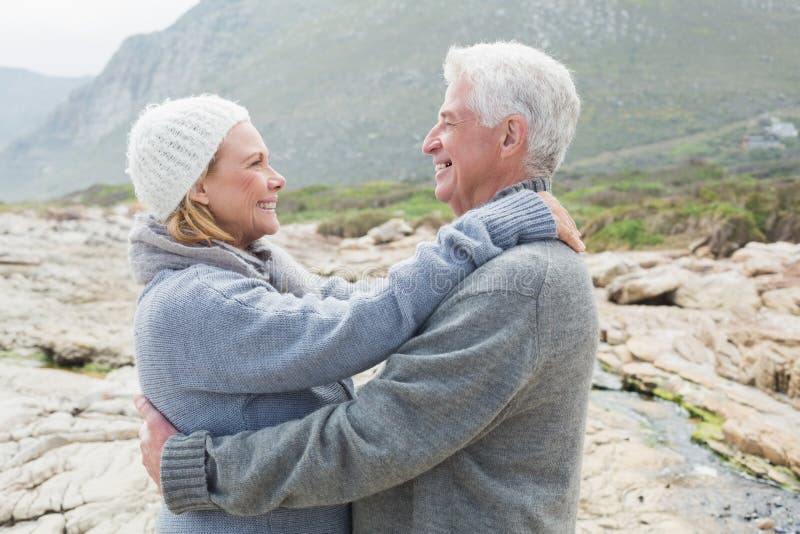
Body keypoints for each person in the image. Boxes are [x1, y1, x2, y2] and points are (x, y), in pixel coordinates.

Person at [126, 92, 582, 533]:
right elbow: (355, 328)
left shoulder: (256, 266)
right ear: (199, 187)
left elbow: (348, 298)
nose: (277, 176)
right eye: (254, 163)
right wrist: (491, 226)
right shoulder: (198, 298)